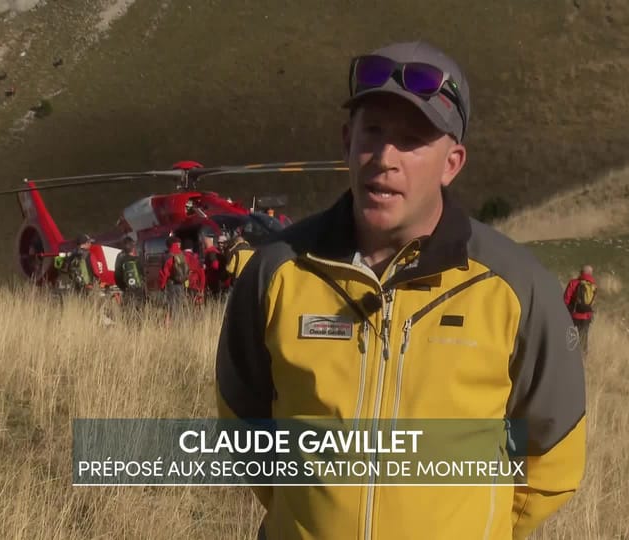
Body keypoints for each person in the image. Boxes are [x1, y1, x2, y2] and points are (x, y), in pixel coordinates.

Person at [215, 41, 586, 540]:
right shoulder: (276, 272)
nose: (385, 157)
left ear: (452, 163)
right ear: (347, 140)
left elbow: (551, 457)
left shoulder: (517, 289)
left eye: (412, 140)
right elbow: (245, 430)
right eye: (373, 132)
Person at [564, 264, 597, 355]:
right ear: (591, 274)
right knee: (583, 338)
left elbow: (566, 300)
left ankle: (569, 356)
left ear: (581, 272)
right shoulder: (594, 286)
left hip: (574, 316)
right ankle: (583, 357)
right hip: (587, 317)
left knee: (571, 338)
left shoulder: (573, 283)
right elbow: (593, 303)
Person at [114, 236, 145, 309]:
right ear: (133, 248)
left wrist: (123, 287)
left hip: (127, 290)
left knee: (127, 312)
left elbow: (117, 276)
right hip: (139, 290)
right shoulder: (138, 259)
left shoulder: (120, 260)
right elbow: (144, 274)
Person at [158, 237, 189, 309]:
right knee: (179, 304)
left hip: (171, 284)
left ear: (168, 245)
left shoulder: (167, 256)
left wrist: (162, 286)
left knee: (172, 305)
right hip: (181, 283)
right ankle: (179, 318)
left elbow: (164, 273)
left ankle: (174, 319)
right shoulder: (182, 255)